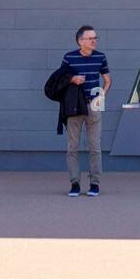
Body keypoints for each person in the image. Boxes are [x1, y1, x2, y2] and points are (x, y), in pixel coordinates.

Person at [58, 25, 110, 197]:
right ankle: (75, 184)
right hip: (74, 104)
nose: (94, 40)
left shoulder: (101, 57)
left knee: (95, 146)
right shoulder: (69, 57)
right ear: (81, 41)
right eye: (90, 38)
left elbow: (108, 80)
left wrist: (102, 95)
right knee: (73, 147)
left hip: (94, 103)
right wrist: (72, 78)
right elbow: (59, 78)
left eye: (96, 37)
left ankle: (95, 184)